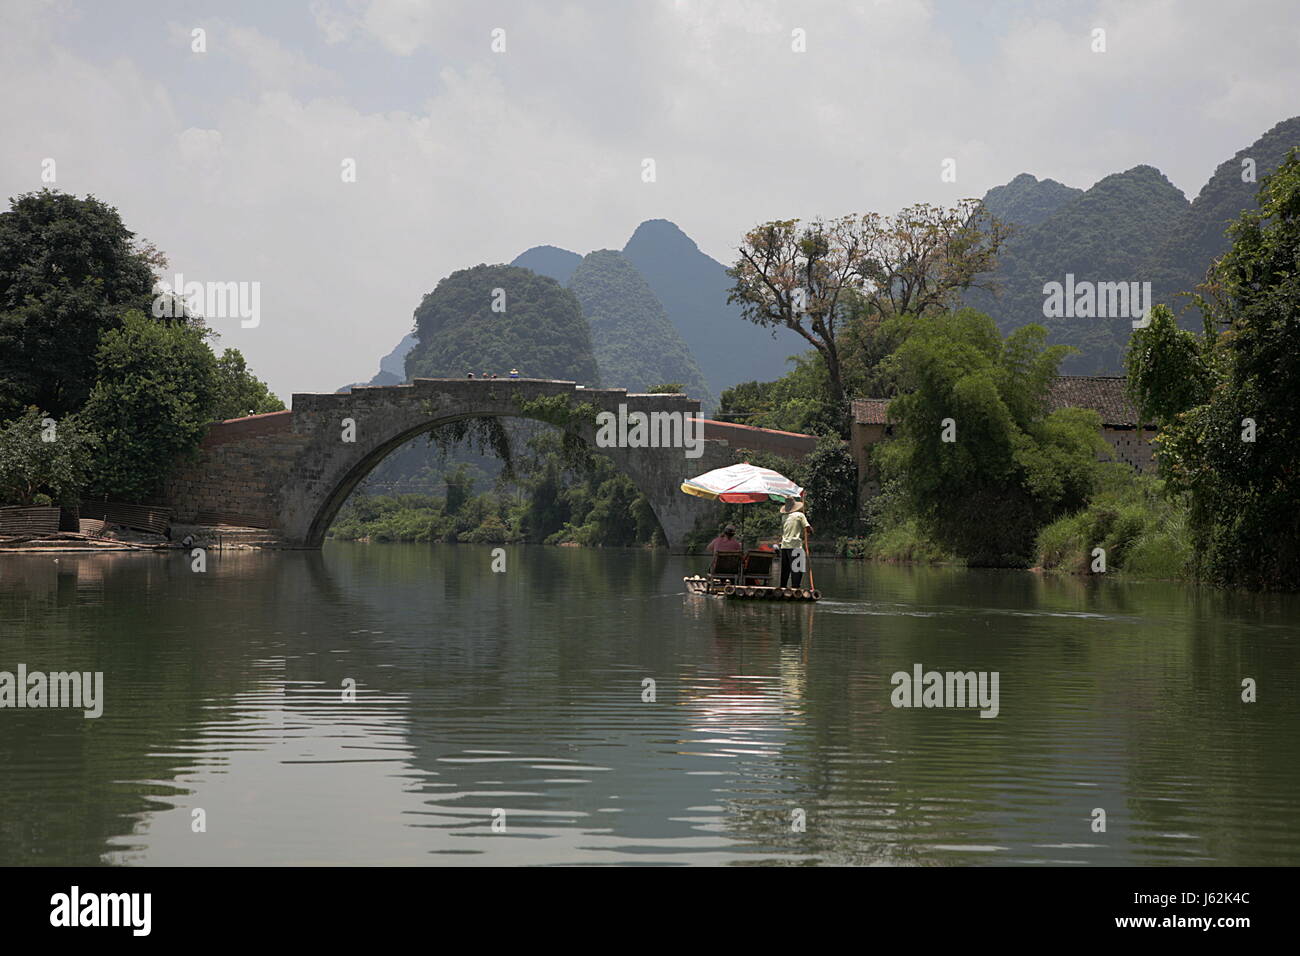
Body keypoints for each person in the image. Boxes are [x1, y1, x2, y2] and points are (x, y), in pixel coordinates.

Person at [778, 498, 811, 588]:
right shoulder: (800, 515)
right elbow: (808, 528)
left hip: (784, 546)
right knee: (797, 570)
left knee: (785, 570)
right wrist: (810, 531)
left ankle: (783, 587)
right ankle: (795, 588)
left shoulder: (784, 517)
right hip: (796, 545)